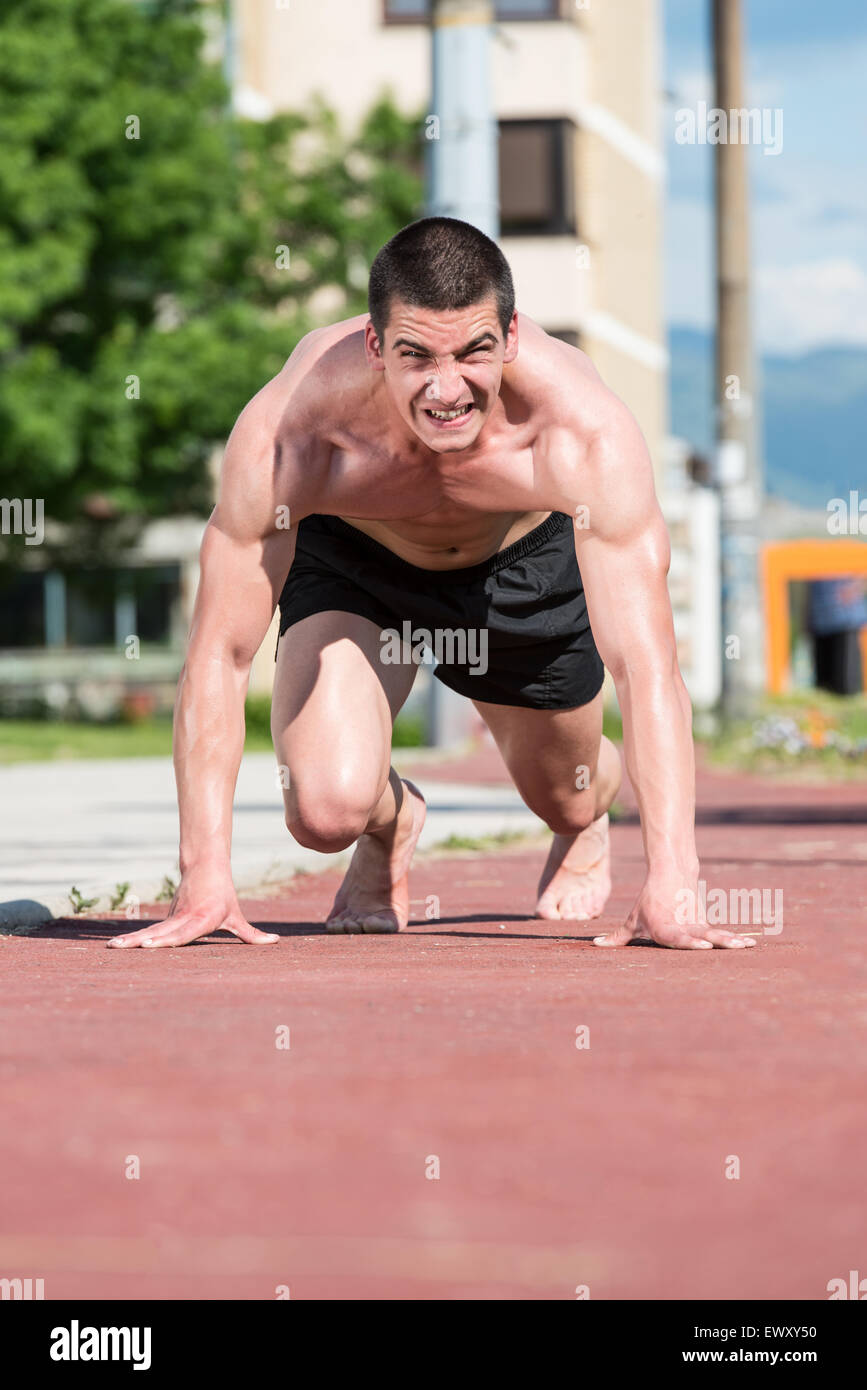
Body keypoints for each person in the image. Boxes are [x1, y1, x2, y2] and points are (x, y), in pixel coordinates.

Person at [109, 217, 753, 952]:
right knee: (322, 811)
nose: (446, 390)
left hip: (519, 574)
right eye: (415, 355)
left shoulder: (579, 431)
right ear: (376, 346)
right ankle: (393, 821)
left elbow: (646, 671)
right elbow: (218, 658)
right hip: (357, 566)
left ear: (509, 338)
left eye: (473, 352)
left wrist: (673, 882)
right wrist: (203, 877)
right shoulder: (294, 434)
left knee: (568, 797)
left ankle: (583, 822)